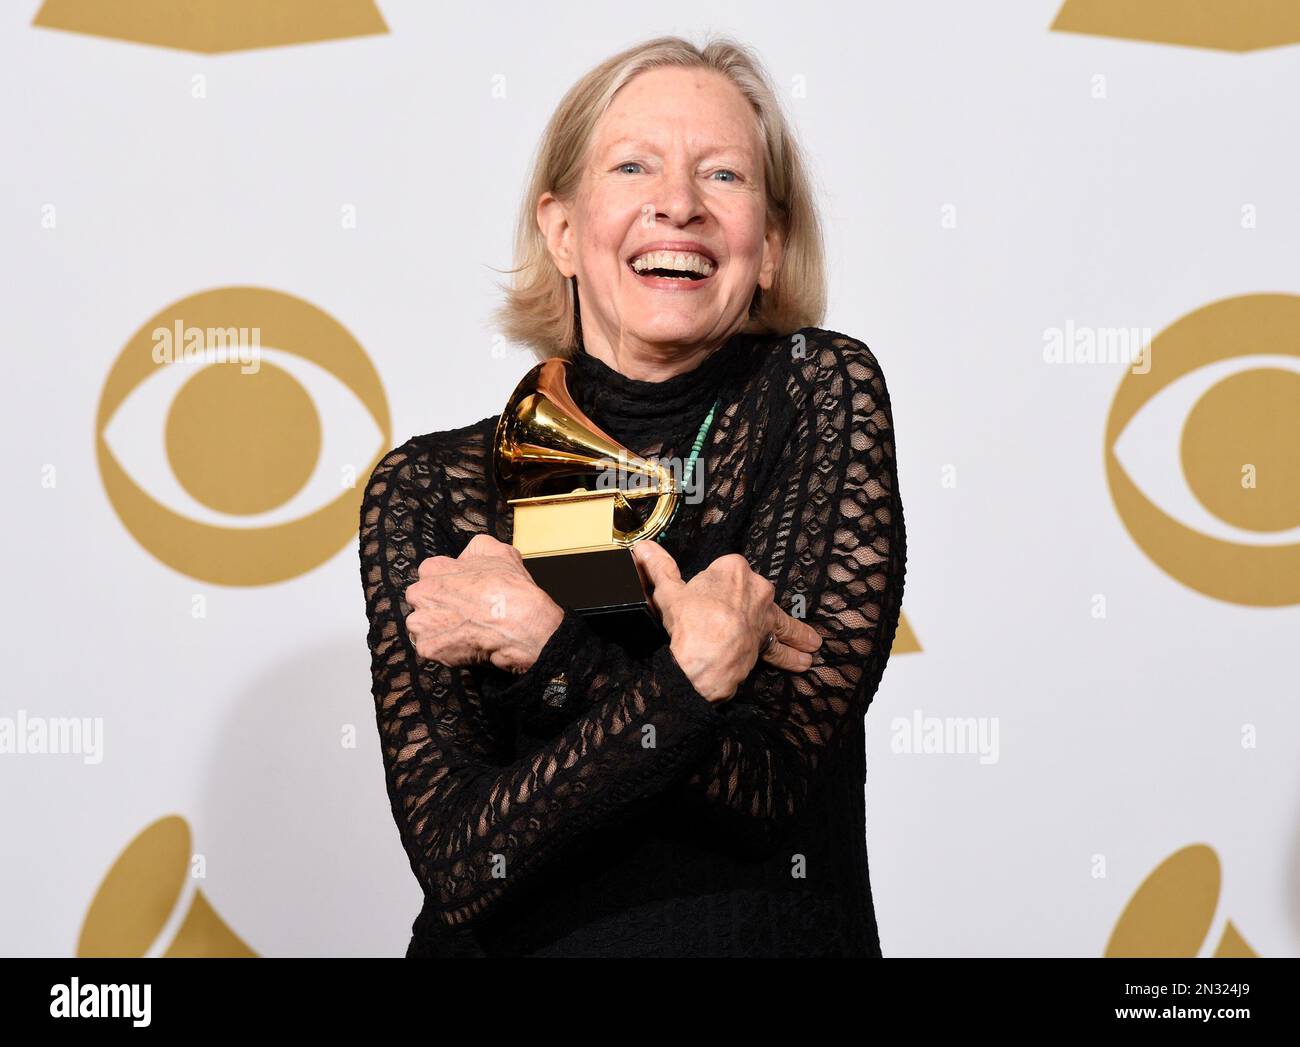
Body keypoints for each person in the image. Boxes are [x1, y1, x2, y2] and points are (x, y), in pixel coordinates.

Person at [358, 33, 907, 957]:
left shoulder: (817, 393)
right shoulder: (429, 488)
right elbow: (460, 863)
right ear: (562, 230)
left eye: (724, 176)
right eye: (634, 165)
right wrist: (696, 670)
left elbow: (761, 787)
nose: (679, 205)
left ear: (770, 245)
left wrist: (541, 641)